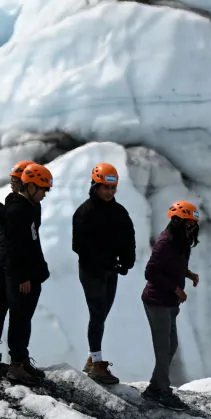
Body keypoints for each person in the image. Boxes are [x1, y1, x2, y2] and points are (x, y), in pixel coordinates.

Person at [72, 162, 136, 384]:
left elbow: (128, 238)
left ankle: (92, 360)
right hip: (91, 270)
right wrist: (107, 261)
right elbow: (79, 245)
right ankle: (96, 363)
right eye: (105, 187)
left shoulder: (119, 212)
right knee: (98, 313)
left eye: (113, 188)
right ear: (95, 186)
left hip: (110, 270)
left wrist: (127, 261)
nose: (109, 192)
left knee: (102, 314)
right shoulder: (84, 212)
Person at [141, 200, 200, 408]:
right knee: (163, 347)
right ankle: (161, 391)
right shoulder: (165, 242)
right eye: (188, 224)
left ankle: (155, 388)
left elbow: (173, 265)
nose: (191, 228)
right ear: (177, 221)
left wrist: (188, 273)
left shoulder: (180, 241)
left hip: (169, 302)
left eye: (193, 225)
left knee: (170, 345)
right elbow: (150, 272)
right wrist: (175, 288)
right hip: (157, 302)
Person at [3, 163, 53, 385]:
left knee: (24, 318)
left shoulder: (28, 208)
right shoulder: (17, 211)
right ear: (31, 186)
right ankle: (15, 365)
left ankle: (22, 360)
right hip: (21, 277)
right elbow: (13, 247)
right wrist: (22, 276)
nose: (44, 194)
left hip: (30, 275)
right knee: (19, 317)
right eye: (42, 189)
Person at [0, 160, 31, 364]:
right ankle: (16, 356)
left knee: (2, 304)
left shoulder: (17, 204)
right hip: (11, 262)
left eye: (14, 180)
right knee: (14, 306)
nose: (11, 183)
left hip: (5, 260)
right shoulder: (23, 204)